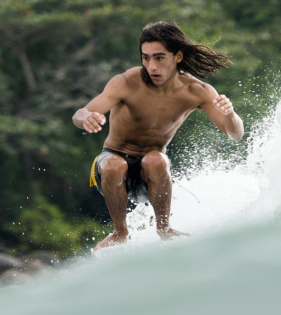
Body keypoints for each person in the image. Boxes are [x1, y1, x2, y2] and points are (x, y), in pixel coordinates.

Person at [72, 21, 244, 252]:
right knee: (114, 164)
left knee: (155, 159)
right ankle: (120, 233)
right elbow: (80, 113)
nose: (151, 66)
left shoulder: (197, 91)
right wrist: (86, 119)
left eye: (159, 58)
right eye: (146, 58)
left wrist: (230, 114)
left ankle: (164, 229)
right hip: (110, 167)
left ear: (178, 56)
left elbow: (235, 134)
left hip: (152, 173)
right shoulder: (125, 82)